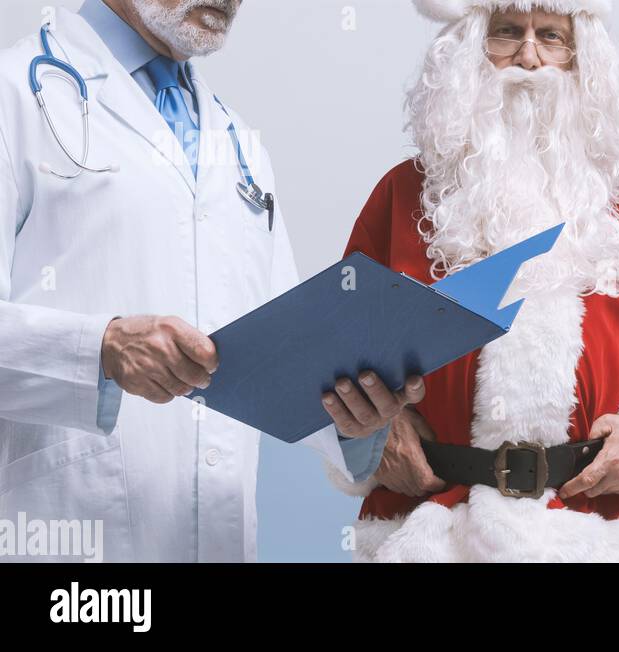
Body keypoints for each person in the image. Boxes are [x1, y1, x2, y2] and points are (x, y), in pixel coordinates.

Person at [320, 0, 619, 562]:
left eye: (551, 35)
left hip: (599, 533)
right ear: (470, 46)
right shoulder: (403, 197)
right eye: (506, 33)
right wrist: (374, 436)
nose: (528, 56)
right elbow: (328, 351)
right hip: (432, 532)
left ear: (581, 59)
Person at [0, 0, 396, 562]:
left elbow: (278, 359)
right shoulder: (14, 93)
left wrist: (355, 418)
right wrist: (101, 350)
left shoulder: (238, 144)